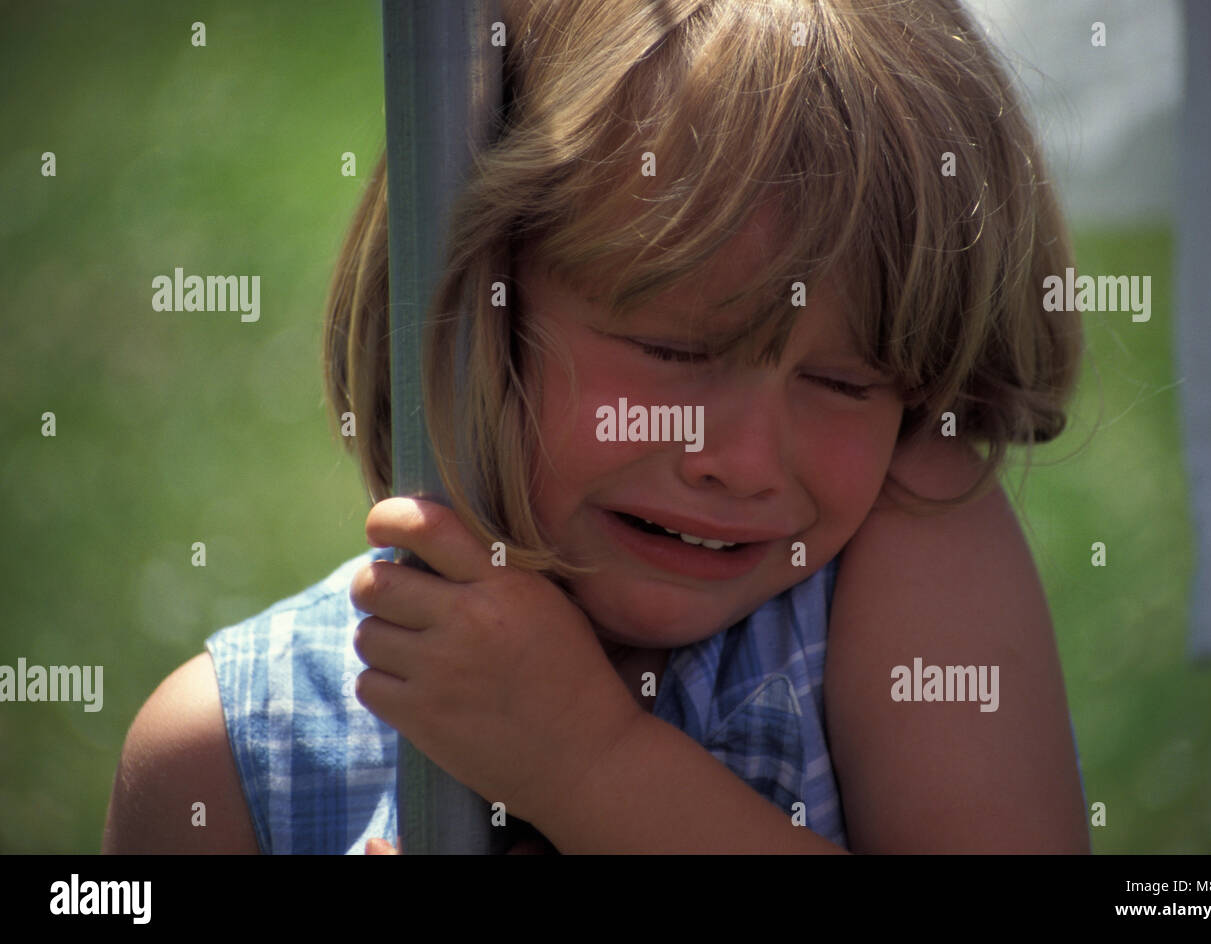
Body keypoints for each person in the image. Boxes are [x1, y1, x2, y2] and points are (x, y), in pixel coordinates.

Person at [103, 0, 1090, 854]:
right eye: (672, 353)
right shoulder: (237, 756)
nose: (743, 462)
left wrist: (587, 764)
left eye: (842, 380)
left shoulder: (910, 557)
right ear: (479, 304)